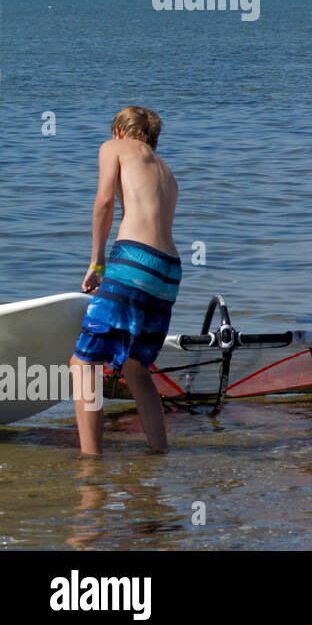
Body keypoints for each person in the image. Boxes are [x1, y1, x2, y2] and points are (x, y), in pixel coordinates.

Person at [71, 107, 182, 455]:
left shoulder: (114, 147)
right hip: (169, 270)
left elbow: (104, 202)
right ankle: (158, 453)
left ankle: (91, 462)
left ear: (120, 131)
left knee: (83, 364)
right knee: (137, 369)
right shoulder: (167, 172)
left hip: (135, 260)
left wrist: (97, 262)